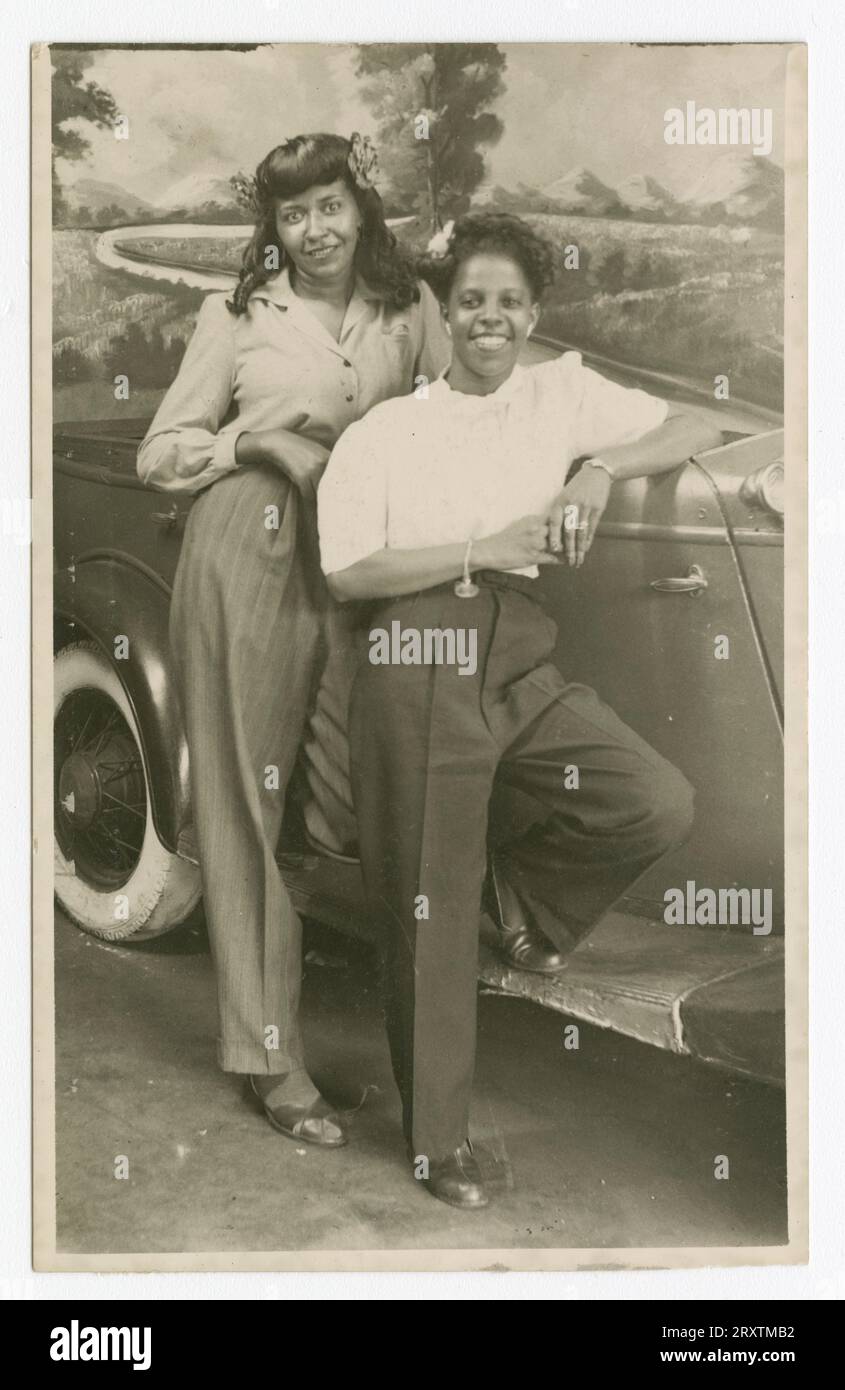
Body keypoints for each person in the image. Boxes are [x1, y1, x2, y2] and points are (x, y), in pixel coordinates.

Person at [317, 212, 721, 1205]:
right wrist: (477, 547)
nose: (488, 318)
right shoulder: (387, 428)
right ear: (443, 313)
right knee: (428, 901)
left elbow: (695, 424)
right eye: (470, 302)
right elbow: (344, 571)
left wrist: (596, 468)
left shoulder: (560, 393)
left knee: (650, 798)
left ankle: (523, 906)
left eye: (508, 302)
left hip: (518, 645)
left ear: (531, 314)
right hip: (416, 648)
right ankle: (435, 1142)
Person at [137, 133, 449, 1148]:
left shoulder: (412, 309)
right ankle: (270, 1058)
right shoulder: (234, 318)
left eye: (328, 206)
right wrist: (253, 439)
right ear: (270, 227)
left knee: (341, 797)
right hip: (250, 552)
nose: (312, 231)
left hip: (364, 566)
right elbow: (163, 449)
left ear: (362, 207)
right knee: (244, 800)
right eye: (290, 214)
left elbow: (466, 418)